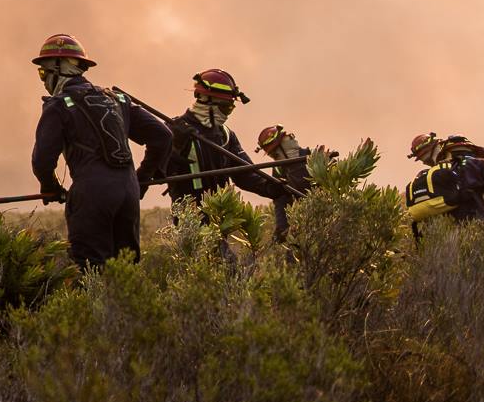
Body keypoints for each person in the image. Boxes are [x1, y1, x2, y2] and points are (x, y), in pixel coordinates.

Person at [29, 34, 173, 267]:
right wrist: (141, 180)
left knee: (91, 269)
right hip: (128, 194)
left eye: (43, 73)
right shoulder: (117, 100)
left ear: (58, 69)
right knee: (125, 271)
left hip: (91, 196)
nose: (43, 80)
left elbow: (42, 161)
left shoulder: (58, 106)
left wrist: (50, 188)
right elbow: (163, 137)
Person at [153, 69, 289, 212]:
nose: (228, 114)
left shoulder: (226, 135)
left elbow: (246, 174)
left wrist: (270, 188)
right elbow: (157, 173)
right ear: (206, 100)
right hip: (188, 221)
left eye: (231, 108)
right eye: (226, 108)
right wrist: (176, 146)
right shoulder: (174, 129)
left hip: (221, 219)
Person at [256, 125, 320, 243]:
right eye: (273, 155)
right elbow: (281, 199)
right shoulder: (279, 169)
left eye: (275, 153)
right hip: (304, 223)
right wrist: (282, 228)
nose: (275, 157)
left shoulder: (314, 157)